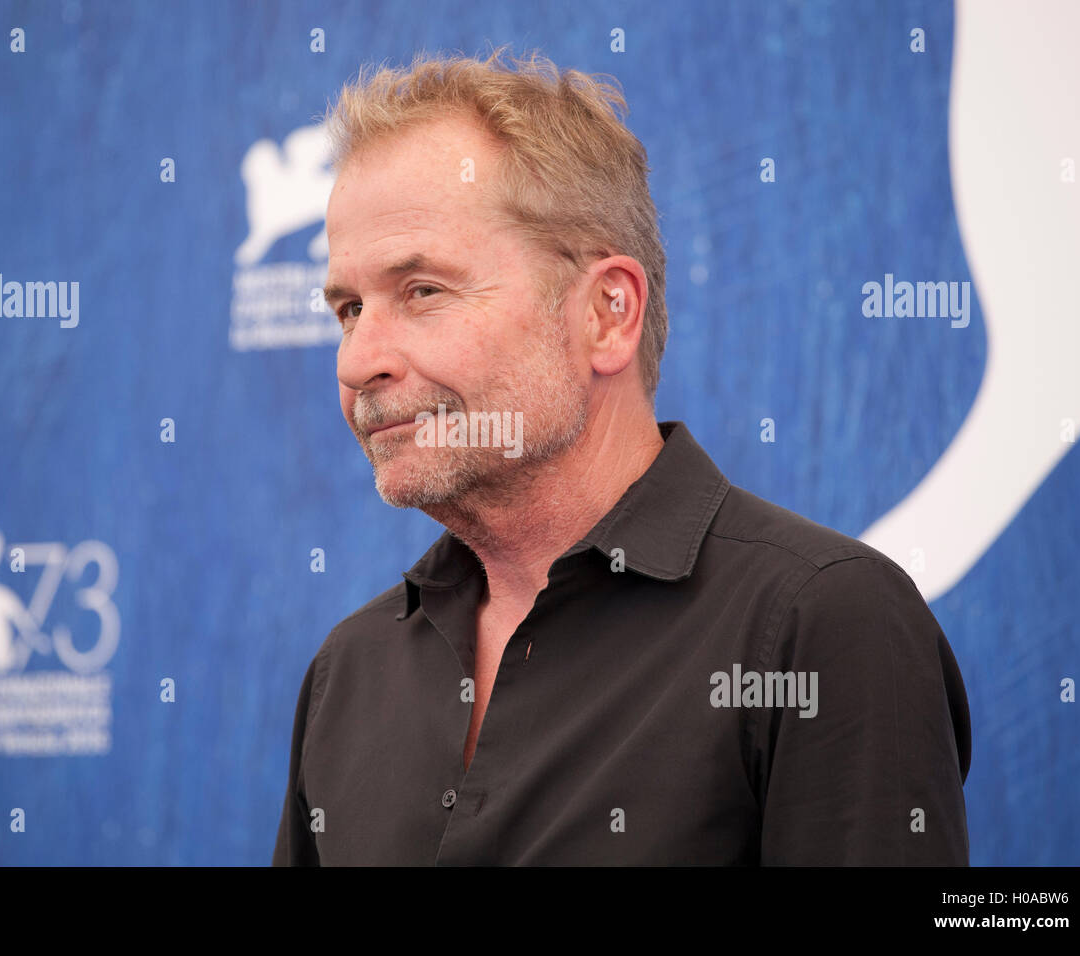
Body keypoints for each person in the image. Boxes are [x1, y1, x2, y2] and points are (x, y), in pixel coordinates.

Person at [272, 47, 971, 865]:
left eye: (422, 291)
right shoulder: (349, 673)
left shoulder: (820, 626)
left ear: (607, 314)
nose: (358, 362)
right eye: (349, 309)